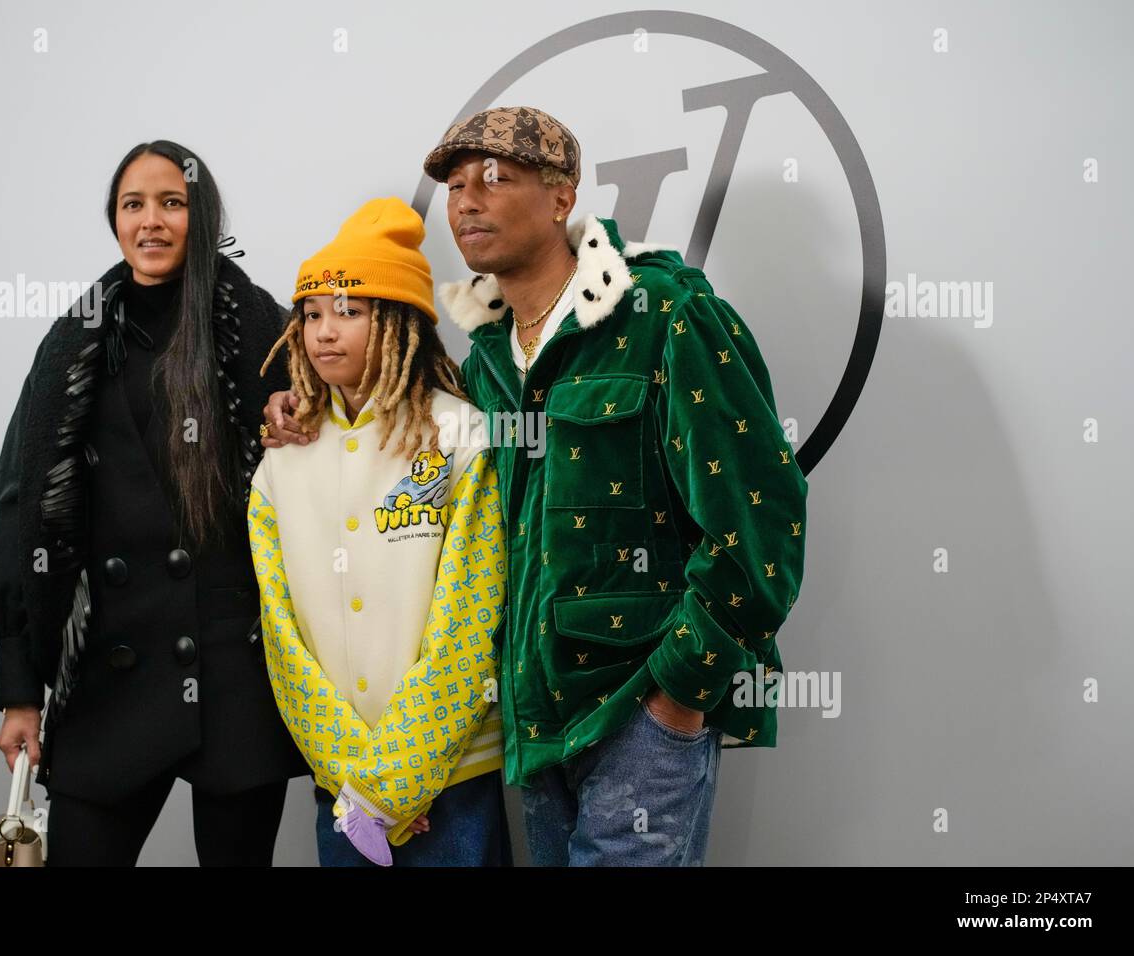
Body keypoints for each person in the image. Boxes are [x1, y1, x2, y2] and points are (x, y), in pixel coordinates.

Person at [264, 107, 810, 866]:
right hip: (535, 720)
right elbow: (397, 427)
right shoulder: (485, 361)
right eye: (455, 186)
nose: (466, 201)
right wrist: (304, 406)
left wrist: (679, 693)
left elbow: (761, 520)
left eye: (493, 179)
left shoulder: (665, 314)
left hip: (640, 709)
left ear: (562, 197)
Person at [0, 140, 307, 866]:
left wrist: (298, 413)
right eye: (133, 204)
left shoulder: (268, 332)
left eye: (172, 203)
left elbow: (339, 453)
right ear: (116, 220)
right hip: (110, 675)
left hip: (236, 673)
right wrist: (21, 689)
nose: (151, 220)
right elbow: (18, 508)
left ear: (204, 216)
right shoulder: (71, 344)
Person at [248, 197, 511, 866]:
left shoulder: (459, 434)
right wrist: (358, 778)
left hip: (451, 779)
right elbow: (283, 638)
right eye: (311, 314)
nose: (324, 332)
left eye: (349, 311)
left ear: (397, 320)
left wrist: (397, 779)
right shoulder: (281, 459)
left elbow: (470, 620)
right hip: (341, 781)